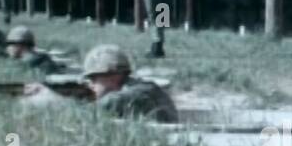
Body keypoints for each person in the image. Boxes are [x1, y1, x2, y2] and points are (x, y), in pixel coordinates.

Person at [23, 44, 178, 121]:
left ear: (114, 76)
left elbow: (84, 115)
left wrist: (50, 98)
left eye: (93, 78)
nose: (90, 84)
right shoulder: (136, 87)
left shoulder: (127, 96)